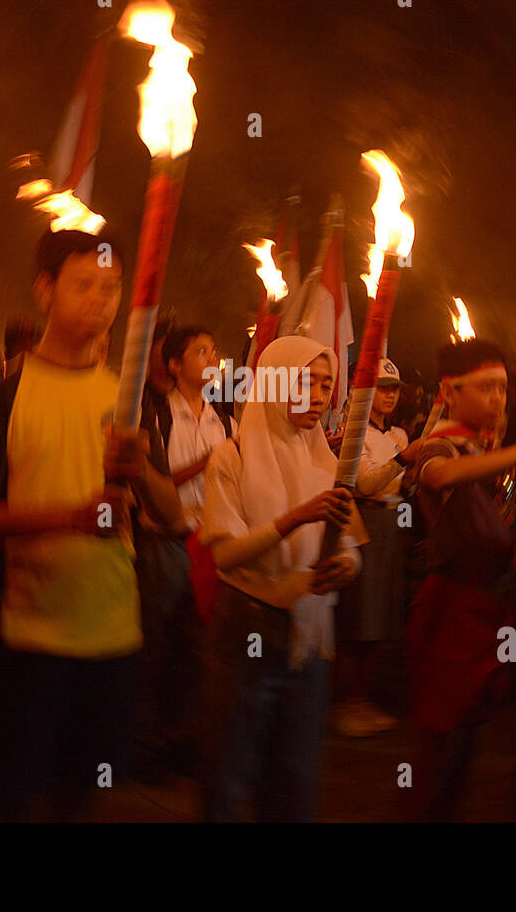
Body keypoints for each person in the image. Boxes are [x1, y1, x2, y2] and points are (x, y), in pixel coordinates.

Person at [0, 228, 182, 821]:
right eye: (85, 286)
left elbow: (174, 516)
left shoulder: (130, 401)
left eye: (112, 288)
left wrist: (144, 475)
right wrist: (70, 518)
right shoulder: (2, 397)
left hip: (113, 631)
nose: (103, 301)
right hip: (29, 636)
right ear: (45, 291)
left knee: (81, 793)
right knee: (17, 797)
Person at [200, 335, 364, 822]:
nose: (317, 398)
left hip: (311, 638)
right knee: (228, 770)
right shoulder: (233, 457)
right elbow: (226, 555)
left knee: (295, 775)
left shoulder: (326, 461)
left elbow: (352, 546)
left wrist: (346, 567)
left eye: (326, 385)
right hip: (248, 631)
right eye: (304, 382)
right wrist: (293, 519)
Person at [404, 339, 516, 820]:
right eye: (486, 388)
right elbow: (441, 476)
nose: (498, 399)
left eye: (503, 389)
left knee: (466, 741)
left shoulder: (483, 447)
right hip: (453, 610)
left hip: (489, 608)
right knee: (441, 745)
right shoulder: (440, 444)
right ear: (448, 392)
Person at [134, 325, 231, 780]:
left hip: (205, 543)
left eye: (214, 350)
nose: (213, 357)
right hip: (164, 542)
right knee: (156, 644)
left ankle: (184, 738)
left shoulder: (224, 421)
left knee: (197, 646)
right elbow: (154, 483)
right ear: (174, 366)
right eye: (201, 351)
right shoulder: (157, 415)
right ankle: (144, 742)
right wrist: (206, 464)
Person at [334, 357, 419, 737]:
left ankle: (362, 699)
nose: (388, 396)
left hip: (392, 525)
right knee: (360, 617)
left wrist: (414, 464)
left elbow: (404, 485)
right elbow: (366, 485)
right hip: (365, 522)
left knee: (382, 618)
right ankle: (344, 703)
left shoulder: (399, 433)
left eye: (394, 389)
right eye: (382, 388)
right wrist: (403, 459)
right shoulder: (353, 434)